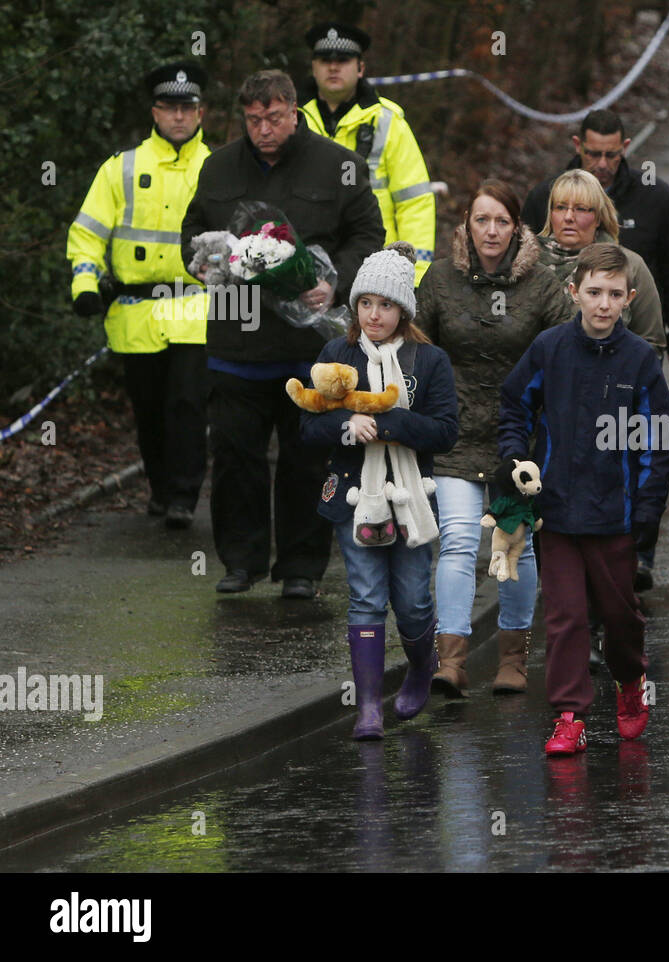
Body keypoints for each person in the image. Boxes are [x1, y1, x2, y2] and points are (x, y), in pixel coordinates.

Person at [182, 69, 385, 598]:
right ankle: (241, 562)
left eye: (273, 118)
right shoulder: (217, 167)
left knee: (307, 460)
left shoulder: (339, 165)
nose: (264, 129)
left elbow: (369, 233)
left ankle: (301, 568)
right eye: (253, 120)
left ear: (295, 111)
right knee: (235, 458)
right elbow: (192, 233)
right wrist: (198, 262)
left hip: (309, 347)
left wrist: (332, 278)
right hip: (236, 341)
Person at [498, 244, 669, 756]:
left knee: (620, 618)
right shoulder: (550, 348)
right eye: (594, 292)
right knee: (566, 615)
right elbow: (514, 404)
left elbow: (658, 440)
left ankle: (628, 682)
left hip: (616, 516)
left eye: (614, 294)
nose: (603, 303)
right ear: (574, 292)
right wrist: (516, 459)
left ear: (629, 298)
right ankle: (569, 715)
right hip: (555, 512)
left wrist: (646, 511)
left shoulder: (640, 359)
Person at [415, 180, 571, 697]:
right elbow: (417, 348)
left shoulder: (543, 285)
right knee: (458, 542)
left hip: (517, 441)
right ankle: (452, 661)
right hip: (455, 435)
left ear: (518, 226)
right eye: (482, 219)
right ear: (466, 225)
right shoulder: (439, 279)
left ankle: (513, 661)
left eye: (502, 220)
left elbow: (565, 353)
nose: (492, 230)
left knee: (516, 547)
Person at [299, 243, 459, 739]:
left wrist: (389, 423)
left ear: (403, 310)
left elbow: (445, 431)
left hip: (412, 496)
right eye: (366, 303)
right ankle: (368, 706)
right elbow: (308, 428)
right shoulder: (337, 354)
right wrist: (346, 425)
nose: (374, 314)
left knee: (411, 600)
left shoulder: (429, 360)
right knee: (366, 597)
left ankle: (418, 666)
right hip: (354, 495)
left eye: (386, 305)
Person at [67, 61, 211, 530]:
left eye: (187, 108)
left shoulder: (220, 167)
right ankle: (160, 488)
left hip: (197, 307)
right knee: (149, 408)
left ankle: (183, 498)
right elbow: (87, 233)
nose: (178, 117)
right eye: (169, 107)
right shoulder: (121, 168)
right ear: (154, 110)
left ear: (201, 112)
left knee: (188, 404)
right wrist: (85, 284)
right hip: (136, 311)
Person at [534, 168, 668, 593]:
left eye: (582, 209)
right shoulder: (526, 264)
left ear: (601, 216)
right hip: (546, 420)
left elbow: (651, 341)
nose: (569, 217)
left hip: (614, 418)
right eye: (560, 207)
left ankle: (616, 599)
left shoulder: (631, 268)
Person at [522, 109, 669, 379]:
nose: (602, 164)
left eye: (611, 155)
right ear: (578, 146)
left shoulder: (652, 195)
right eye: (593, 154)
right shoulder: (543, 196)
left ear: (625, 148)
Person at [300, 23, 437, 281]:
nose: (333, 66)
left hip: (379, 273)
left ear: (360, 68)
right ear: (313, 67)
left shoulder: (388, 122)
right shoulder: (292, 121)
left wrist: (416, 277)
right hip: (306, 270)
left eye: (343, 59)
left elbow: (414, 203)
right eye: (324, 60)